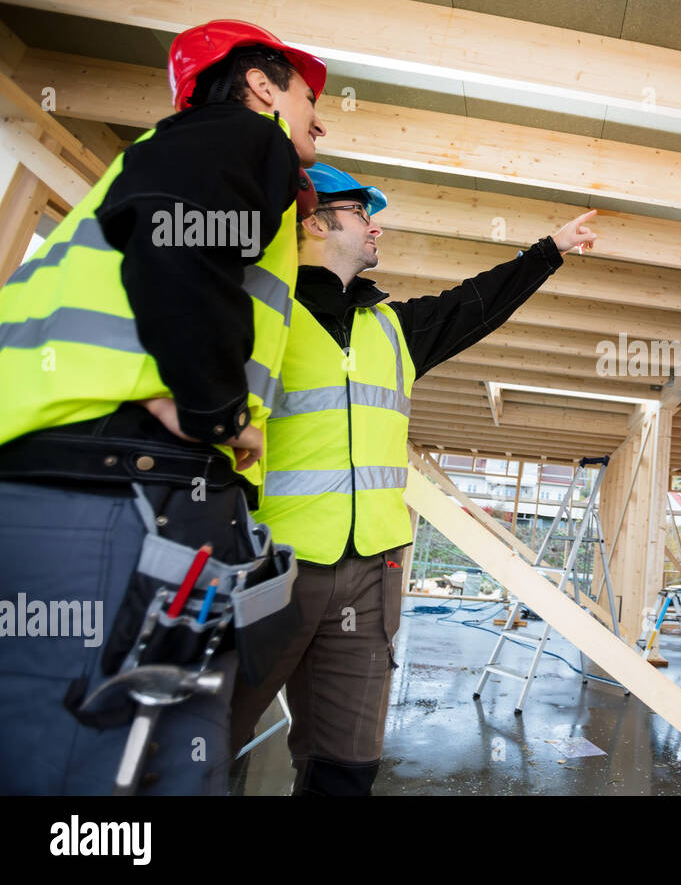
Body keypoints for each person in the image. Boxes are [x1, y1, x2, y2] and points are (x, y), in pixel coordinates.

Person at [0, 19, 326, 794]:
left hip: (96, 485)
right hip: (108, 489)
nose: (322, 116)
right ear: (260, 87)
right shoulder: (237, 136)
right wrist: (213, 408)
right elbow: (174, 241)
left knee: (148, 760)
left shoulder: (184, 157)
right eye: (309, 97)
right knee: (88, 770)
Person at [229, 162, 597, 795]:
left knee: (346, 763)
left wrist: (550, 251)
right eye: (362, 215)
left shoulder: (392, 329)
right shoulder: (260, 315)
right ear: (314, 222)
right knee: (206, 738)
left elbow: (475, 304)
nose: (377, 229)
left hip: (370, 574)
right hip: (270, 567)